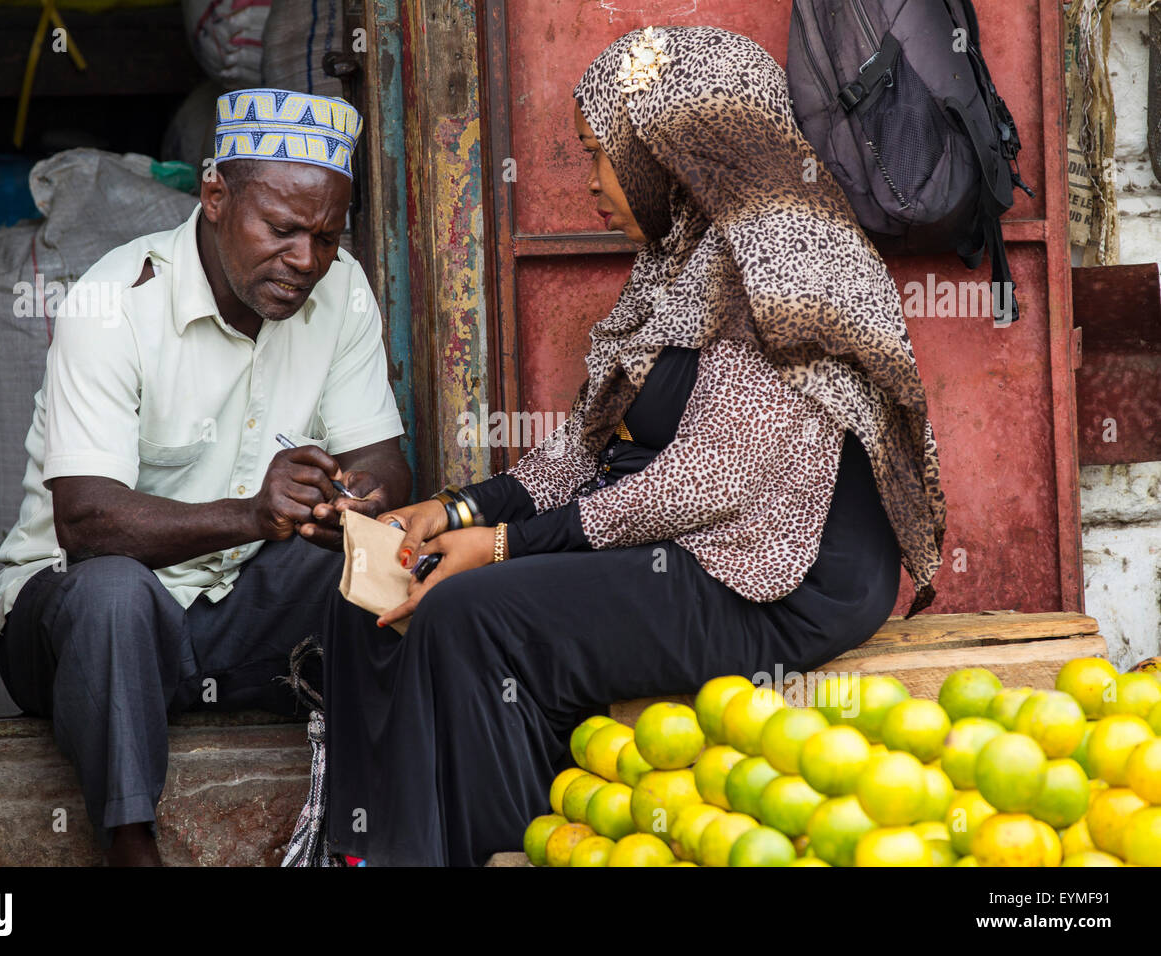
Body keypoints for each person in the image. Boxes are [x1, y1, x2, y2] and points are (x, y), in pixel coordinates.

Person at [318, 26, 947, 867]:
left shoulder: (790, 255)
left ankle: (498, 853)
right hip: (688, 545)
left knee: (473, 615)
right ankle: (367, 853)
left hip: (775, 578)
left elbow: (710, 477)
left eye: (600, 155)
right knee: (370, 585)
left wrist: (504, 546)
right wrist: (456, 509)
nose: (589, 184)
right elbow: (583, 449)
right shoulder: (679, 261)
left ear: (668, 145)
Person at [0, 89, 410, 866]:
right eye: (281, 229)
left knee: (378, 566)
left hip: (231, 622)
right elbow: (86, 523)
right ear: (215, 197)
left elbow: (384, 465)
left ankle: (370, 830)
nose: (306, 260)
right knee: (113, 591)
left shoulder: (341, 290)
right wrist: (255, 514)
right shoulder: (115, 302)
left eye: (325, 236)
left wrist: (351, 500)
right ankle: (129, 842)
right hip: (82, 629)